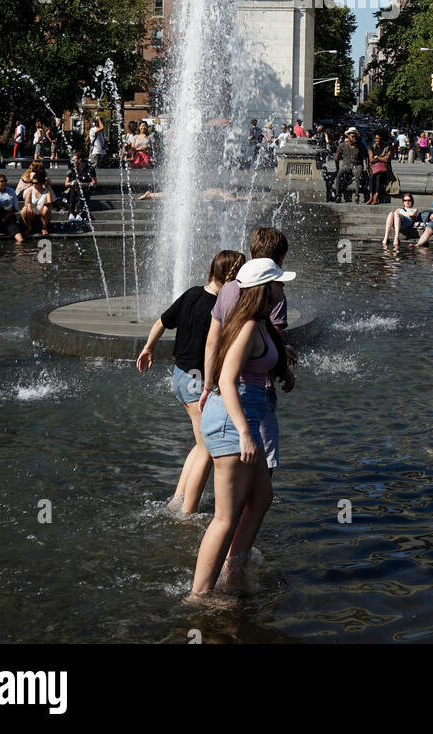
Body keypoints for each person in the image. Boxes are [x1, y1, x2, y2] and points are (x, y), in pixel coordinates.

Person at [187, 239, 296, 600]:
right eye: (279, 283)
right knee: (225, 517)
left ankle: (233, 571)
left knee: (261, 498)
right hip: (232, 423)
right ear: (265, 290)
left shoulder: (260, 323)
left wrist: (283, 364)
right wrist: (246, 434)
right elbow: (226, 381)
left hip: (246, 416)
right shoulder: (249, 326)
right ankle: (199, 597)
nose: (284, 287)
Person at [136, 249, 246, 517]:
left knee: (199, 444)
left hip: (180, 376)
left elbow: (161, 321)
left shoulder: (192, 293)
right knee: (208, 448)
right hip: (197, 382)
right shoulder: (222, 306)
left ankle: (177, 499)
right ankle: (186, 512)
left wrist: (148, 348)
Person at [334, 127, 367, 203]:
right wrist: (337, 168)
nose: (354, 138)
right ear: (348, 137)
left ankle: (357, 195)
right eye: (352, 136)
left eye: (355, 136)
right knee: (338, 176)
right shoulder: (342, 145)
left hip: (357, 165)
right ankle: (338, 196)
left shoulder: (360, 145)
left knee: (358, 177)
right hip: (346, 165)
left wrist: (367, 167)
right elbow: (336, 157)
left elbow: (366, 156)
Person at [20, 165, 55, 238]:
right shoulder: (30, 190)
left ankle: (44, 227)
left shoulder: (47, 191)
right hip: (32, 213)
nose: (34, 185)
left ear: (41, 183)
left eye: (36, 183)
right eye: (33, 183)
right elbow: (27, 202)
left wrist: (45, 204)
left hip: (42, 212)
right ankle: (29, 227)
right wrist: (29, 207)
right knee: (24, 210)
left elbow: (49, 201)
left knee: (46, 208)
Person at [64, 151, 98, 221]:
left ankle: (79, 214)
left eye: (74, 160)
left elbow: (94, 183)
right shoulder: (72, 169)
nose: (73, 162)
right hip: (74, 189)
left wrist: (85, 184)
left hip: (86, 189)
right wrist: (72, 183)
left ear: (80, 160)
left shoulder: (90, 169)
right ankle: (71, 214)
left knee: (80, 190)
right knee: (73, 190)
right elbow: (66, 183)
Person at [366, 132, 392, 205]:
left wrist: (376, 157)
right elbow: (371, 159)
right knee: (373, 176)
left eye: (377, 138)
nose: (376, 140)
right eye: (375, 138)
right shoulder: (372, 146)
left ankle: (376, 197)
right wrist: (382, 158)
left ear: (382, 139)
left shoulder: (387, 147)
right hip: (375, 168)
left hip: (385, 169)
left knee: (378, 176)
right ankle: (371, 197)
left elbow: (387, 159)